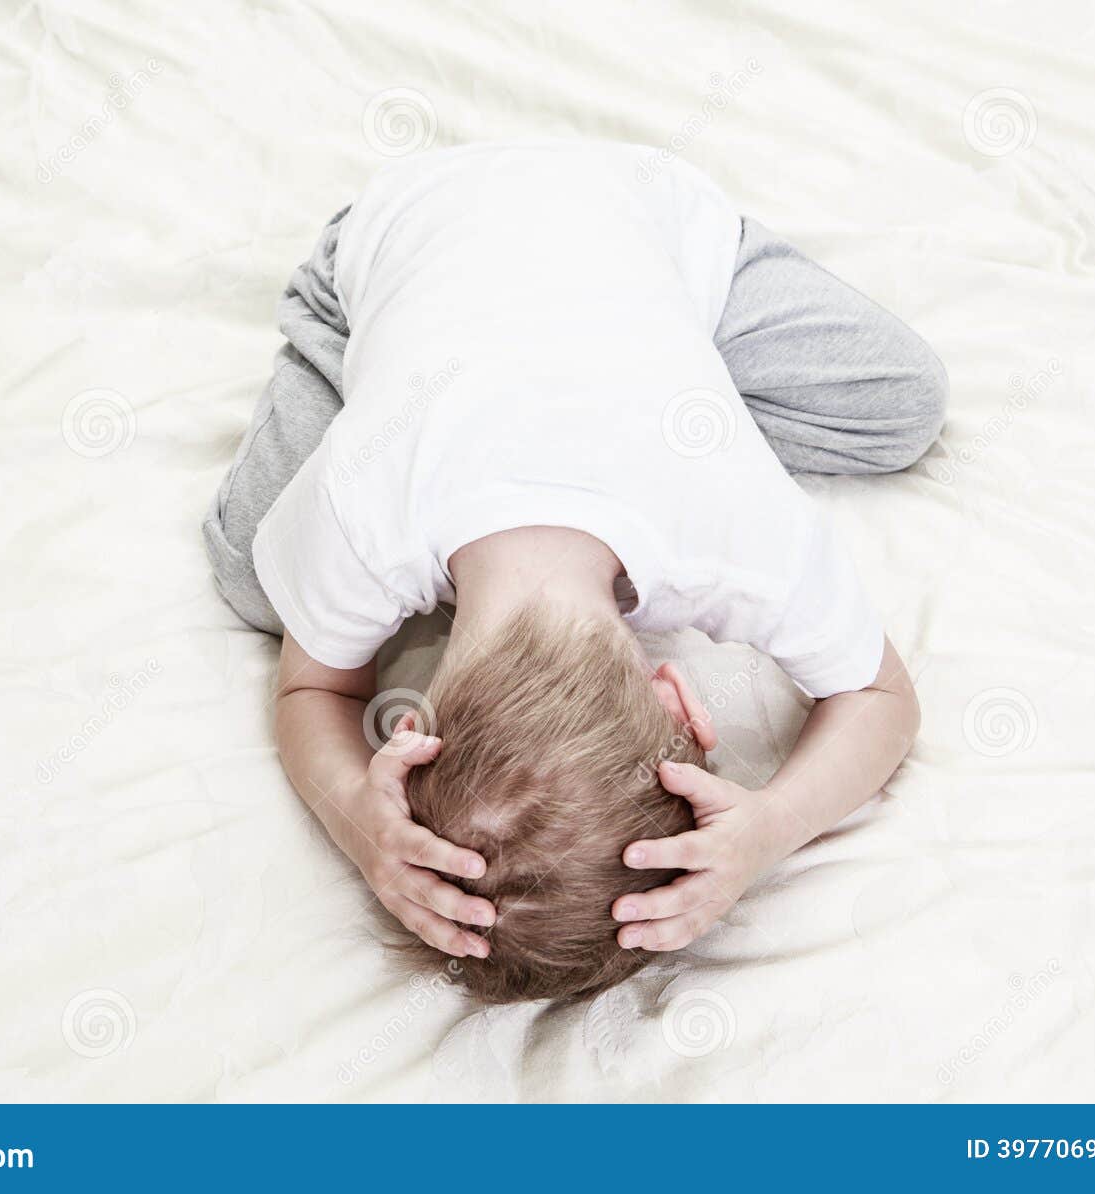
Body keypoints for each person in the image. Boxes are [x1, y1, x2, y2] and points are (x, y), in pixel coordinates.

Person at [203, 140, 945, 1002]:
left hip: (597, 218)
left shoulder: (740, 531)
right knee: (262, 575)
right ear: (405, 735)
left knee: (903, 405)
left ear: (680, 705)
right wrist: (352, 811)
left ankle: (375, 334)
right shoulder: (361, 523)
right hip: (466, 237)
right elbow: (313, 695)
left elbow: (884, 702)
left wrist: (769, 826)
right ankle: (370, 338)